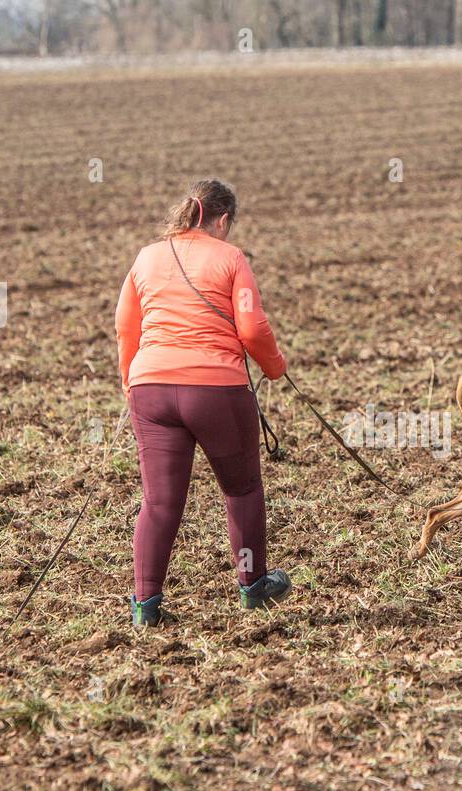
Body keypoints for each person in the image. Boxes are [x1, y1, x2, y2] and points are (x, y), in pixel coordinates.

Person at [115, 179, 291, 626]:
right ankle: (253, 586)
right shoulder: (231, 258)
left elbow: (126, 328)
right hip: (216, 390)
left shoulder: (146, 256)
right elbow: (251, 328)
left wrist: (131, 383)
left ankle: (145, 606)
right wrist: (275, 367)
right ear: (223, 219)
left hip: (150, 389)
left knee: (158, 502)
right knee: (242, 488)